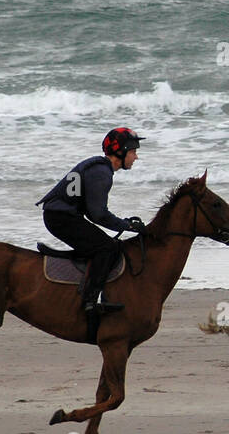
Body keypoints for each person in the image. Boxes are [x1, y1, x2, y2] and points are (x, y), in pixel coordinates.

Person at [37, 128, 147, 315]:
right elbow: (98, 215)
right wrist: (125, 225)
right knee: (107, 248)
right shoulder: (102, 173)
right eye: (133, 152)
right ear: (121, 152)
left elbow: (92, 212)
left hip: (60, 215)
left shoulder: (98, 167)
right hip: (61, 218)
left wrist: (123, 223)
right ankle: (89, 301)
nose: (136, 157)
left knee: (102, 244)